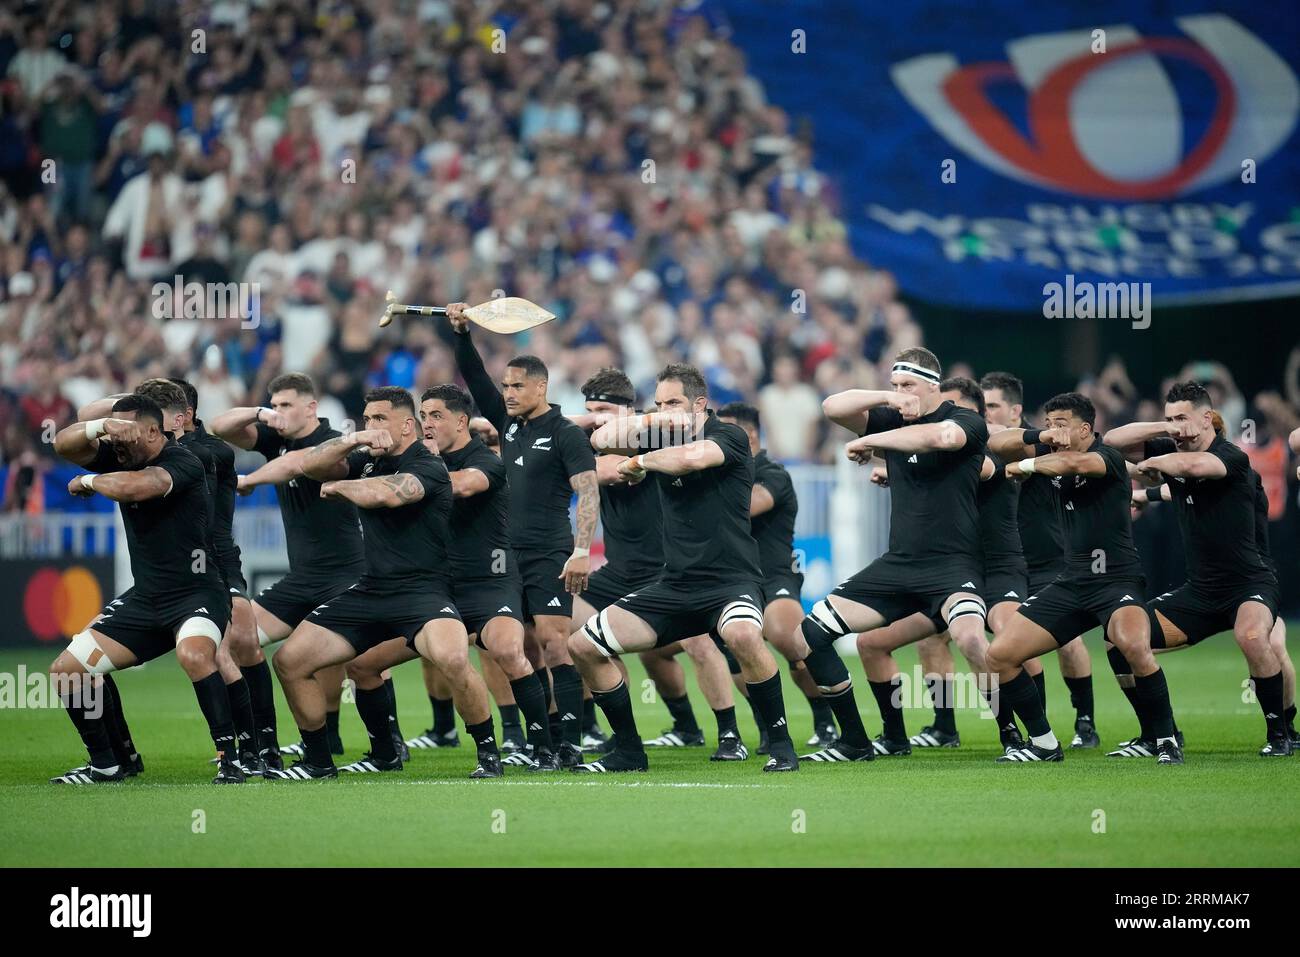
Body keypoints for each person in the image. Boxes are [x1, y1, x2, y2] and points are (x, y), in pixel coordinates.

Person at [571, 363, 801, 773]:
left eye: (673, 402)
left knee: (744, 636)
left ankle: (781, 745)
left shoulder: (726, 435)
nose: (664, 411)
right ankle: (628, 751)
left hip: (731, 581)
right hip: (675, 585)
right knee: (583, 647)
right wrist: (651, 425)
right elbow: (603, 437)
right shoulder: (660, 430)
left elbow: (691, 460)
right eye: (657, 403)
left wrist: (640, 460)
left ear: (700, 404)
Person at [264, 387, 502, 780]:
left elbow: (391, 495)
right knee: (290, 661)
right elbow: (311, 465)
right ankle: (323, 761)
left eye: (379, 420)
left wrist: (342, 488)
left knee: (454, 659)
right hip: (371, 590)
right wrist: (353, 439)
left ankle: (488, 753)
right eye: (367, 419)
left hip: (425, 593)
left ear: (407, 425)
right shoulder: (367, 459)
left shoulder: (428, 465)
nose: (371, 426)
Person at [349, 384, 558, 770]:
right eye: (423, 416)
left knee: (510, 651)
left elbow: (458, 485)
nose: (427, 423)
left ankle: (544, 747)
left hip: (490, 583)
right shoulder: (409, 461)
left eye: (437, 416)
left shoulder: (488, 461)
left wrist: (423, 466)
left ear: (461, 421)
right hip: (439, 590)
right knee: (363, 665)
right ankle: (389, 751)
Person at [797, 348, 992, 764]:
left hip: (955, 566)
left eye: (909, 386)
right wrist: (886, 400)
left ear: (934, 386)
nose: (901, 393)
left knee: (975, 641)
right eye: (895, 385)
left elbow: (939, 438)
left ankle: (1026, 735)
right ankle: (860, 741)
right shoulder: (894, 416)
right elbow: (832, 406)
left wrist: (870, 440)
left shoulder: (966, 421)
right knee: (815, 633)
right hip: (902, 566)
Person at [50, 395, 243, 784]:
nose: (117, 441)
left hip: (198, 594)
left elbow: (140, 488)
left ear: (154, 431)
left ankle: (230, 759)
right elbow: (62, 444)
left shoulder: (184, 461)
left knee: (192, 655)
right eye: (114, 432)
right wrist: (101, 427)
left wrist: (90, 480)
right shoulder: (121, 455)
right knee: (67, 671)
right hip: (147, 598)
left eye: (126, 431)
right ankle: (108, 763)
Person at [987, 393, 1183, 764]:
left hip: (1117, 581)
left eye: (1060, 425)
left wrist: (1027, 466)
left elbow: (1078, 463)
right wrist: (1036, 440)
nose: (1053, 431)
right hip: (1073, 581)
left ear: (1086, 429)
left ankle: (1166, 740)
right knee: (998, 655)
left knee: (1134, 647)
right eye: (1048, 424)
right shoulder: (1047, 450)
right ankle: (1044, 744)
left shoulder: (1106, 455)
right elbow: (996, 444)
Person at [449, 302, 599, 760]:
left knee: (556, 643)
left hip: (550, 551)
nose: (508, 393)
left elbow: (588, 493)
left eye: (517, 386)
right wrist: (460, 334)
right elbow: (474, 380)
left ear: (541, 386)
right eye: (506, 386)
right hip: (502, 556)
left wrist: (580, 551)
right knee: (516, 648)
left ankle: (569, 745)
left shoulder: (566, 433)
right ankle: (539, 741)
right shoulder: (508, 425)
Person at [1107, 383, 1289, 756]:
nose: (1176, 427)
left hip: (1250, 582)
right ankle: (1158, 733)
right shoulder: (1171, 444)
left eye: (1183, 419)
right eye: (1171, 418)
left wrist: (1148, 468)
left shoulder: (1231, 456)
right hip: (1201, 592)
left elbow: (1193, 467)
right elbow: (1111, 440)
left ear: (1207, 419)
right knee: (1119, 638)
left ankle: (1280, 735)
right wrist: (1163, 429)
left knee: (1253, 636)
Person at [212, 373, 369, 768]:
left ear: (311, 407)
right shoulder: (275, 440)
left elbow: (298, 465)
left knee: (357, 661)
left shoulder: (332, 440)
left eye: (286, 405)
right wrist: (260, 413)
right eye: (275, 404)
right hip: (301, 578)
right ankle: (261, 744)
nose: (279, 412)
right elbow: (219, 427)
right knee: (238, 640)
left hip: (345, 572)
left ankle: (383, 741)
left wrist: (251, 479)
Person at [981, 372, 1097, 748]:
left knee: (1068, 642)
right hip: (1003, 564)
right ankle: (1035, 729)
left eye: (994, 406)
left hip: (1050, 557)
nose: (987, 414)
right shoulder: (987, 443)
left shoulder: (1045, 440)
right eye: (983, 407)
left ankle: (1085, 721)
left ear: (1015, 409)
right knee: (1010, 641)